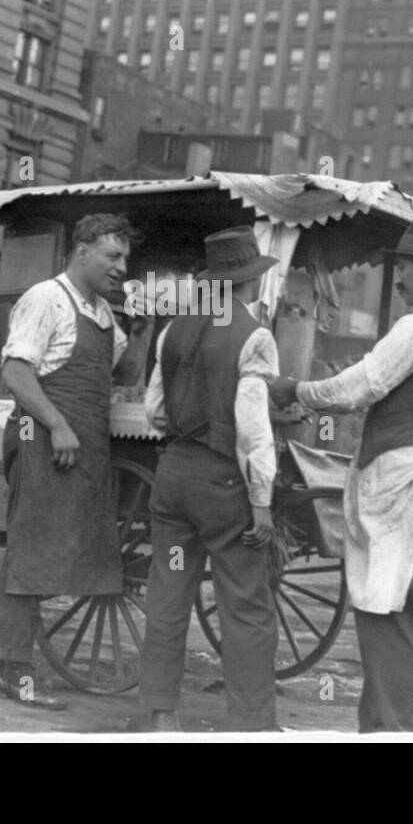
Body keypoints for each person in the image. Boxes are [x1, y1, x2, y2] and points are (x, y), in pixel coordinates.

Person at [268, 216, 413, 732]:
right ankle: (397, 724)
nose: (398, 279)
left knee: (389, 608)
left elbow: (355, 390)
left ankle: (387, 728)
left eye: (406, 267)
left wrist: (296, 390)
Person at [0, 213, 142, 710]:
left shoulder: (102, 314)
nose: (120, 268)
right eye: (113, 257)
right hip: (42, 438)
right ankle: (14, 671)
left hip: (77, 446)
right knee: (34, 548)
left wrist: (140, 321)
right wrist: (58, 425)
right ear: (82, 250)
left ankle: (0, 654)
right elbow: (14, 371)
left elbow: (121, 369)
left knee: (38, 548)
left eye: (125, 260)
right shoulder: (45, 298)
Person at [139, 226, 280, 731]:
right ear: (251, 283)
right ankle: (251, 723)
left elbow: (154, 412)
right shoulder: (254, 336)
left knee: (168, 597)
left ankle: (160, 715)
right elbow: (254, 431)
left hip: (172, 477)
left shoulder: (174, 329)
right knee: (245, 606)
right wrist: (261, 500)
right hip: (223, 486)